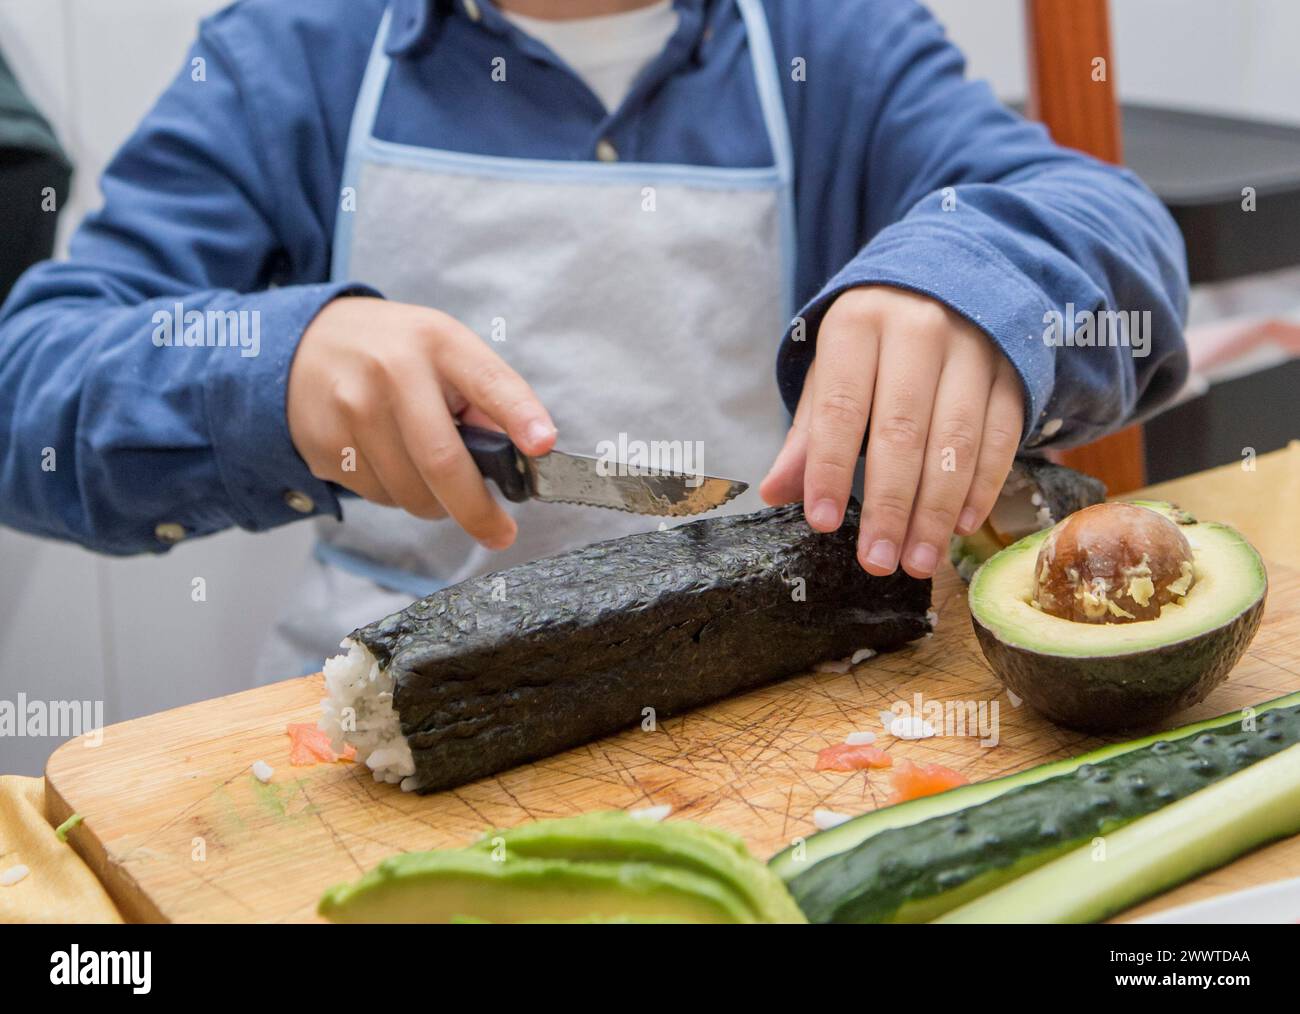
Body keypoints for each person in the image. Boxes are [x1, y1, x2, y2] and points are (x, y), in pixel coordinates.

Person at [0, 0, 1188, 678]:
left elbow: (1114, 227)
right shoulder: (289, 50)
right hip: (383, 727)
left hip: (772, 705)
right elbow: (31, 392)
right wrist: (272, 370)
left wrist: (972, 286)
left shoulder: (838, 41)